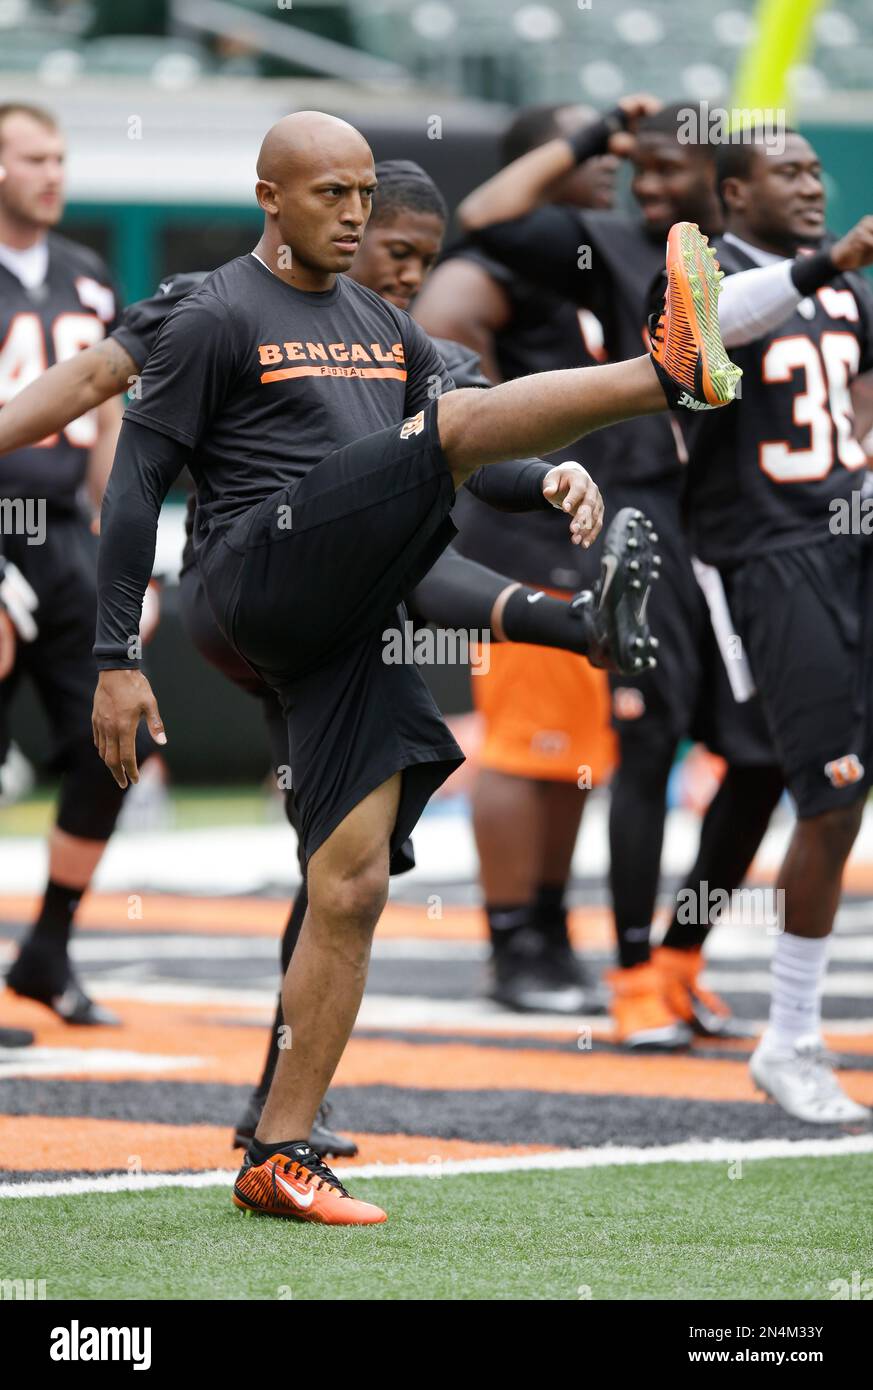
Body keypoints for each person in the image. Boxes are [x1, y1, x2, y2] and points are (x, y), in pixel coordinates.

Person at [91, 110, 738, 1225]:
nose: (352, 214)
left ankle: (279, 1149)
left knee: (352, 884)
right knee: (439, 436)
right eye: (328, 195)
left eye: (360, 194)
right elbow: (134, 485)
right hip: (247, 575)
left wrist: (540, 482)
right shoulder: (211, 314)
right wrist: (114, 654)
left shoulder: (386, 327)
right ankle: (661, 375)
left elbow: (478, 445)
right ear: (269, 197)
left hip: (343, 616)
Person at [456, 101, 790, 1048]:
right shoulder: (599, 242)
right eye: (625, 162)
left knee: (761, 754)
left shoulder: (777, 255)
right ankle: (616, 966)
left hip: (751, 532)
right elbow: (480, 226)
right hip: (626, 521)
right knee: (608, 750)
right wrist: (592, 129)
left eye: (660, 166)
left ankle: (677, 959)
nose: (638, 180)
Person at [677, 133, 873, 1122]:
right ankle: (791, 1037)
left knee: (851, 790)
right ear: (734, 191)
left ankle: (796, 1033)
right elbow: (706, 339)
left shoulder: (848, 289)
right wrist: (830, 260)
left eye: (816, 171)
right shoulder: (703, 272)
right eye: (788, 173)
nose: (812, 185)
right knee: (828, 790)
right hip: (765, 556)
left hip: (850, 541)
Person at [415, 105, 620, 1014]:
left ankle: (547, 925)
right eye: (586, 148)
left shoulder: (589, 261)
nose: (610, 163)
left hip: (582, 529)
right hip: (523, 534)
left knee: (575, 754)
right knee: (520, 751)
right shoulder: (486, 266)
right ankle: (511, 943)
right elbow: (444, 364)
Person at [0, 102, 129, 1028]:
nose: (53, 172)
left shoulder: (86, 276)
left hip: (63, 535)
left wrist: (127, 563)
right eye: (33, 158)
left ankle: (47, 948)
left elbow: (114, 418)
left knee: (119, 738)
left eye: (60, 156)